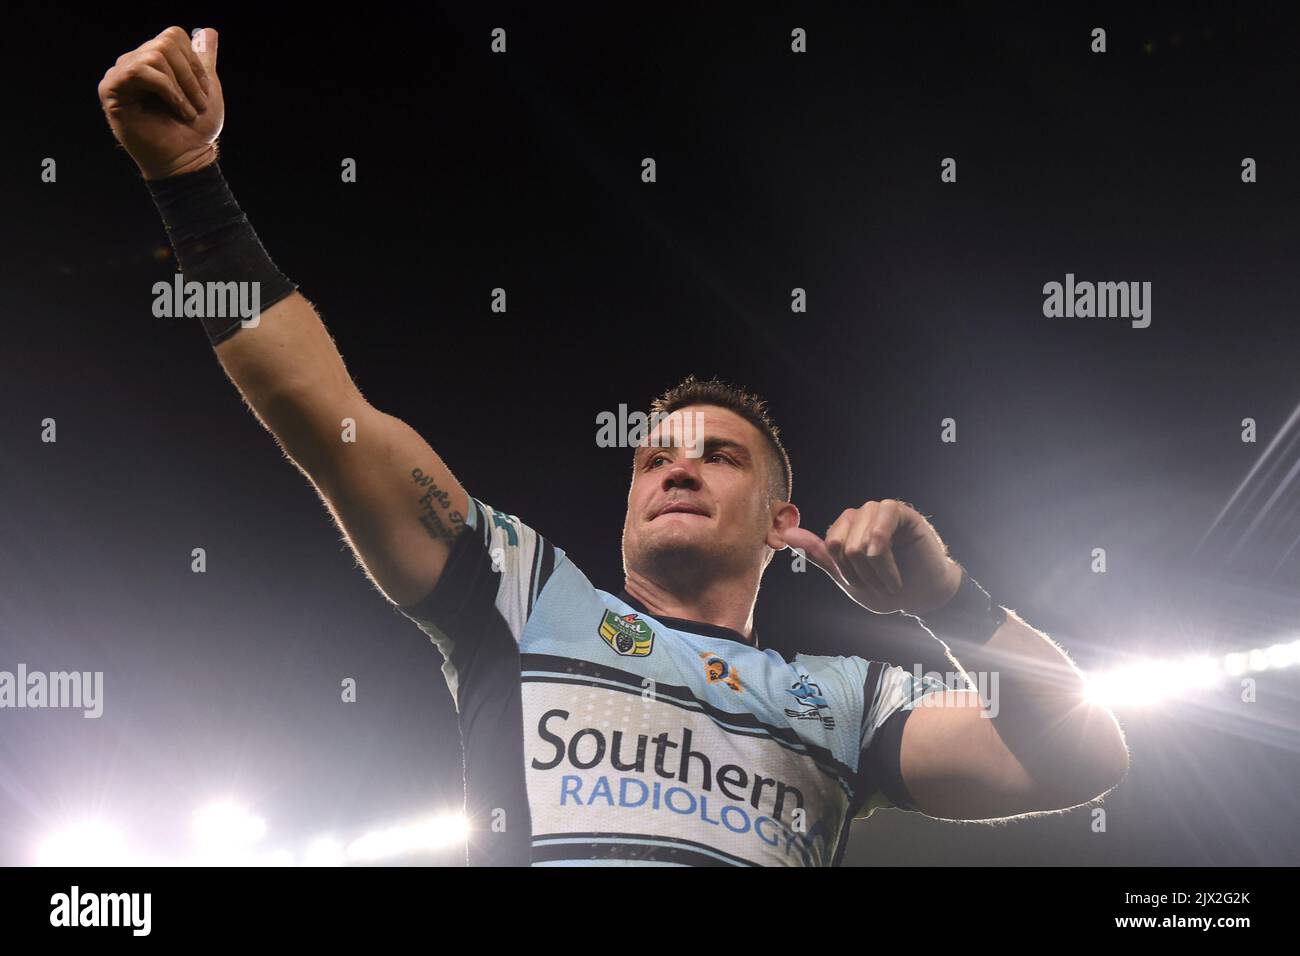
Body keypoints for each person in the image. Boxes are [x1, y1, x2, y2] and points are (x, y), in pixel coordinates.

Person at [98, 25, 1130, 866]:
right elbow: (320, 410)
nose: (675, 465)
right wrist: (189, 182)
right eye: (652, 457)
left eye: (718, 455)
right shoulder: (524, 594)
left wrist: (951, 604)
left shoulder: (848, 702)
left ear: (785, 522)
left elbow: (1083, 757)